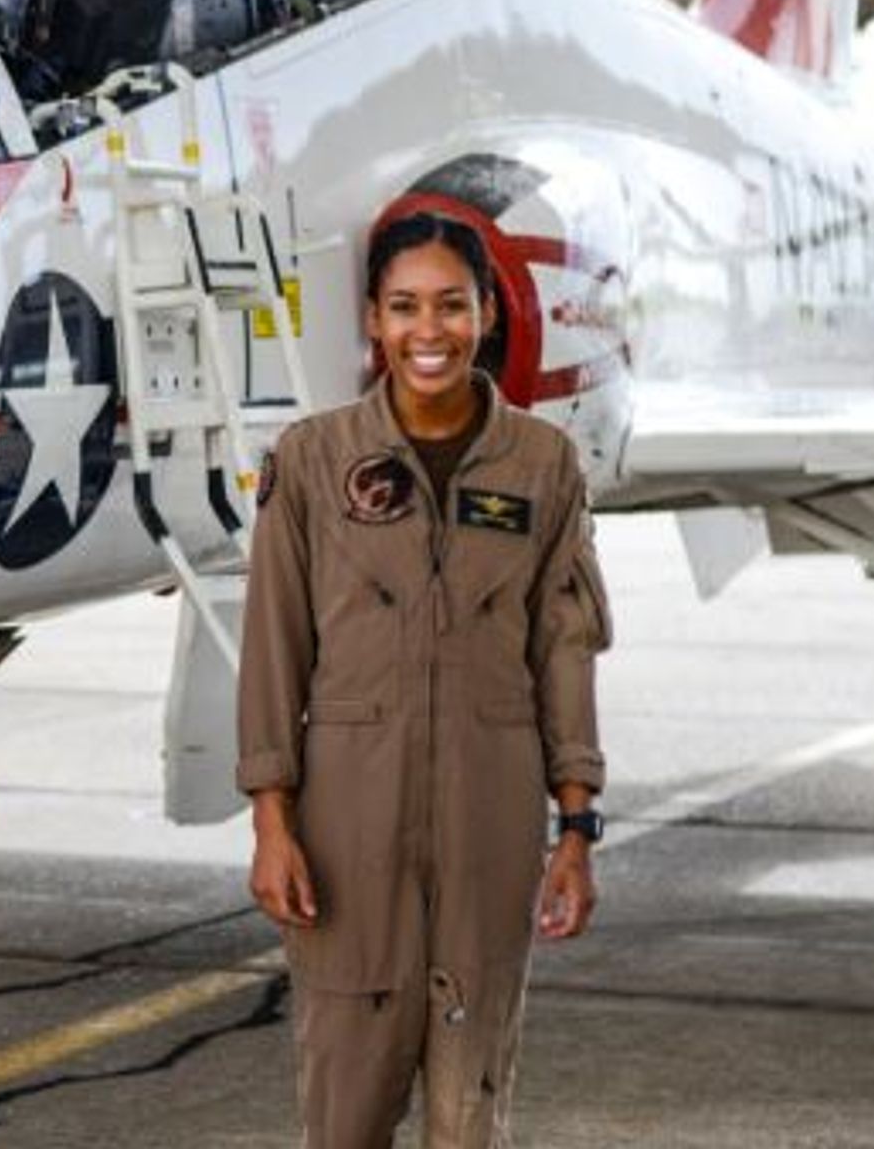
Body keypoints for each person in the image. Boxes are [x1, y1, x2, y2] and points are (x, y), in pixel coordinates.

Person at [237, 210, 612, 1148]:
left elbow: (563, 649)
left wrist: (577, 826)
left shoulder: (542, 464)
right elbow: (274, 649)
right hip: (346, 829)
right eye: (404, 307)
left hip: (492, 817)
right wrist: (271, 824)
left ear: (486, 312)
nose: (428, 330)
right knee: (346, 1111)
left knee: (471, 1111)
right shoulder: (313, 461)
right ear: (372, 319)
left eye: (451, 304)